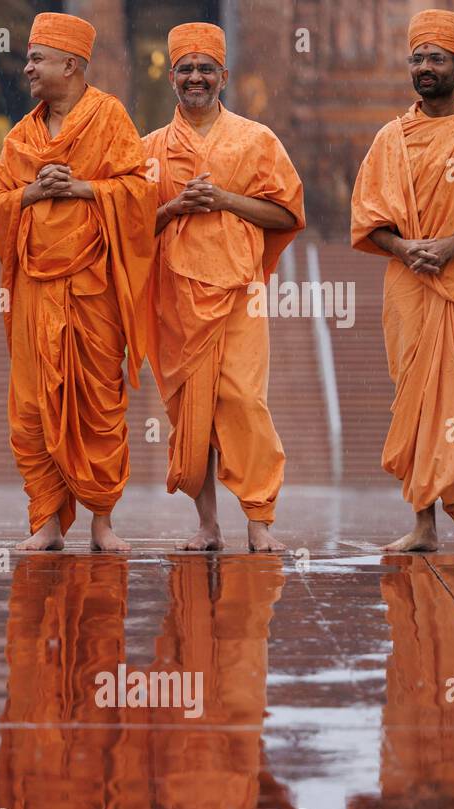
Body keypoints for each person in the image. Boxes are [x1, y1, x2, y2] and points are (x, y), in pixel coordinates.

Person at [0, 12, 154, 552]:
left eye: (37, 58)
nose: (27, 67)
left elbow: (140, 193)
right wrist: (31, 193)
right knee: (32, 405)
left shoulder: (111, 118)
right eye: (29, 57)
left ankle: (104, 523)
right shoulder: (20, 137)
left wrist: (83, 188)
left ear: (72, 65)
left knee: (97, 403)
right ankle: (47, 523)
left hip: (92, 288)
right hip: (35, 288)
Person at [141, 23, 305, 552]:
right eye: (186, 69)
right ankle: (207, 525)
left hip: (238, 295)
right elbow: (128, 229)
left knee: (242, 401)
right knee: (191, 412)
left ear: (223, 76)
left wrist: (225, 201)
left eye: (205, 69)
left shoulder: (257, 140)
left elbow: (285, 211)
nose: (195, 77)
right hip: (175, 297)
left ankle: (260, 521)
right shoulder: (148, 150)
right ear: (171, 78)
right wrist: (174, 208)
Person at [351, 9, 454, 552]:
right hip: (410, 288)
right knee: (415, 401)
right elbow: (371, 220)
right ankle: (422, 525)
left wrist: (452, 245)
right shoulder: (391, 138)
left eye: (436, 58)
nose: (423, 67)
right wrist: (407, 247)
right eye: (417, 58)